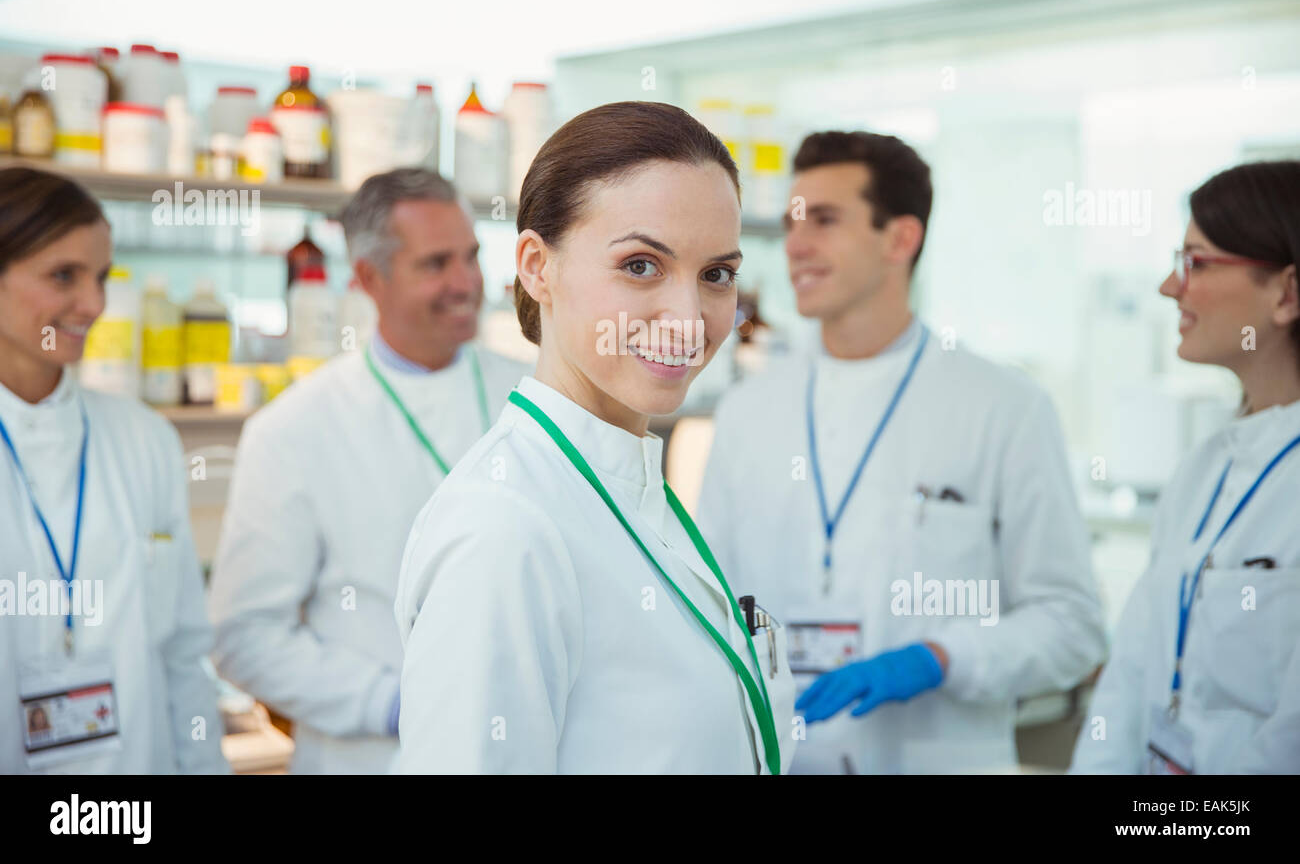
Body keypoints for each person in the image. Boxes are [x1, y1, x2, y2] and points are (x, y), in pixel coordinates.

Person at [393, 102, 796, 774]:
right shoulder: (506, 530)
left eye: (716, 274)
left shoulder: (628, 491)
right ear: (535, 266)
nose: (688, 319)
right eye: (641, 265)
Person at [696, 131, 1106, 773]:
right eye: (791, 223)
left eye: (825, 221)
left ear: (900, 239)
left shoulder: (1003, 406)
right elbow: (709, 610)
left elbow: (1073, 626)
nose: (796, 245)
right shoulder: (748, 412)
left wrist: (942, 658)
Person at [209, 168, 530, 774]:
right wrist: (394, 705)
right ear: (368, 279)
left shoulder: (535, 395)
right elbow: (244, 637)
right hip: (375, 756)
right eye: (436, 264)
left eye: (470, 256)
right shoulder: (295, 429)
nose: (466, 283)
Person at [1072, 160, 1300, 774]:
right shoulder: (1203, 468)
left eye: (1195, 263)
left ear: (1286, 293)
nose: (1170, 287)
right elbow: (1131, 675)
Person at [0, 167, 226, 773]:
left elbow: (183, 656)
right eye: (63, 276)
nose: (95, 304)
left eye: (100, 277)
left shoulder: (142, 438)